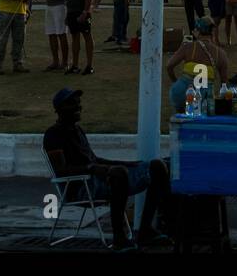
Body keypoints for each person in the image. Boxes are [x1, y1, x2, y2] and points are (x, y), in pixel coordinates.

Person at [43, 88, 171, 251]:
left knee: (157, 166)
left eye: (78, 103)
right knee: (119, 174)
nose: (78, 107)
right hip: (80, 187)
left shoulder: (77, 130)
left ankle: (147, 229)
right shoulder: (53, 134)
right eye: (72, 104)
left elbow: (95, 160)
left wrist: (124, 163)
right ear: (59, 109)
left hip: (97, 178)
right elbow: (61, 171)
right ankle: (119, 237)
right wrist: (93, 168)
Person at [166, 17, 228, 112]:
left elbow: (169, 66)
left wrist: (175, 81)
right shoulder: (220, 54)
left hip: (182, 89)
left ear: (197, 31)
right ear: (212, 31)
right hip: (204, 94)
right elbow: (224, 85)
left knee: (181, 116)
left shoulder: (188, 47)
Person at [65, 0, 95, 75]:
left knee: (87, 37)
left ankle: (89, 65)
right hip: (72, 11)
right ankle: (75, 65)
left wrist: (85, 12)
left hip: (81, 11)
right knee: (75, 37)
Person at [43, 0, 72, 73]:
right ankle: (55, 61)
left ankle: (64, 62)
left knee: (61, 34)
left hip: (60, 5)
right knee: (51, 34)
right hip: (49, 5)